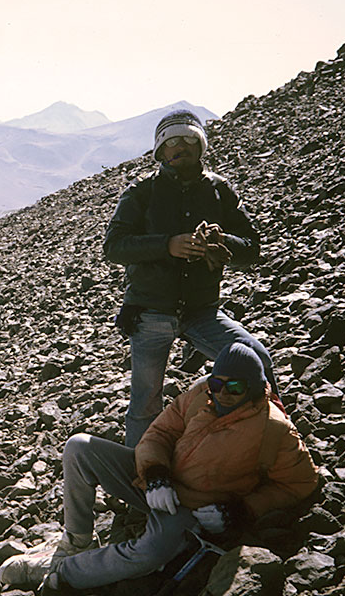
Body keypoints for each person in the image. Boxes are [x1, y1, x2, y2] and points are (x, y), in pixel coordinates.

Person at [0, 342, 318, 591]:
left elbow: (301, 484)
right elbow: (160, 432)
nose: (222, 393)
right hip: (156, 487)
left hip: (192, 512)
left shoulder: (274, 430)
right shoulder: (199, 394)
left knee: (150, 554)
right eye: (217, 383)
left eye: (234, 388)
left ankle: (62, 573)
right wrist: (154, 475)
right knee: (79, 447)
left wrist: (241, 511)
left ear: (253, 387)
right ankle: (77, 542)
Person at [104, 109, 278, 448]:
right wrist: (167, 245)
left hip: (202, 311)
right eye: (171, 141)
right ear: (160, 151)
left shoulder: (218, 190)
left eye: (188, 139)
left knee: (256, 360)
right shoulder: (141, 192)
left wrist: (222, 241)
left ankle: (267, 443)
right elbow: (114, 246)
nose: (179, 146)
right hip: (151, 311)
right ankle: (142, 479)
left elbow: (251, 249)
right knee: (145, 402)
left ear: (201, 146)